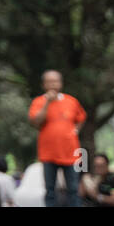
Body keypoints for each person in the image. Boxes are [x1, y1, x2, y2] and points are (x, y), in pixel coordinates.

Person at [27, 69, 87, 206]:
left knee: (73, 189)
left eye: (55, 81)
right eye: (49, 82)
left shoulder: (71, 101)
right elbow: (35, 122)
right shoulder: (38, 102)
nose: (53, 85)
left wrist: (76, 130)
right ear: (43, 85)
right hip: (48, 154)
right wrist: (47, 103)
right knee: (50, 190)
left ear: (61, 83)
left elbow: (81, 117)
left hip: (71, 153)